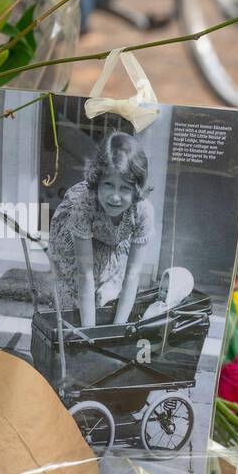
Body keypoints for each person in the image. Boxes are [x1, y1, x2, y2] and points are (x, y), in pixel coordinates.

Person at [47, 130, 155, 329]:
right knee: (74, 304)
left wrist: (117, 331)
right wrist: (90, 334)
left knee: (108, 296)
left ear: (137, 189)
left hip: (113, 238)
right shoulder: (83, 205)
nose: (115, 197)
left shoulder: (143, 212)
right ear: (97, 182)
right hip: (75, 244)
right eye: (108, 185)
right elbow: (84, 274)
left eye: (124, 188)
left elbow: (133, 274)